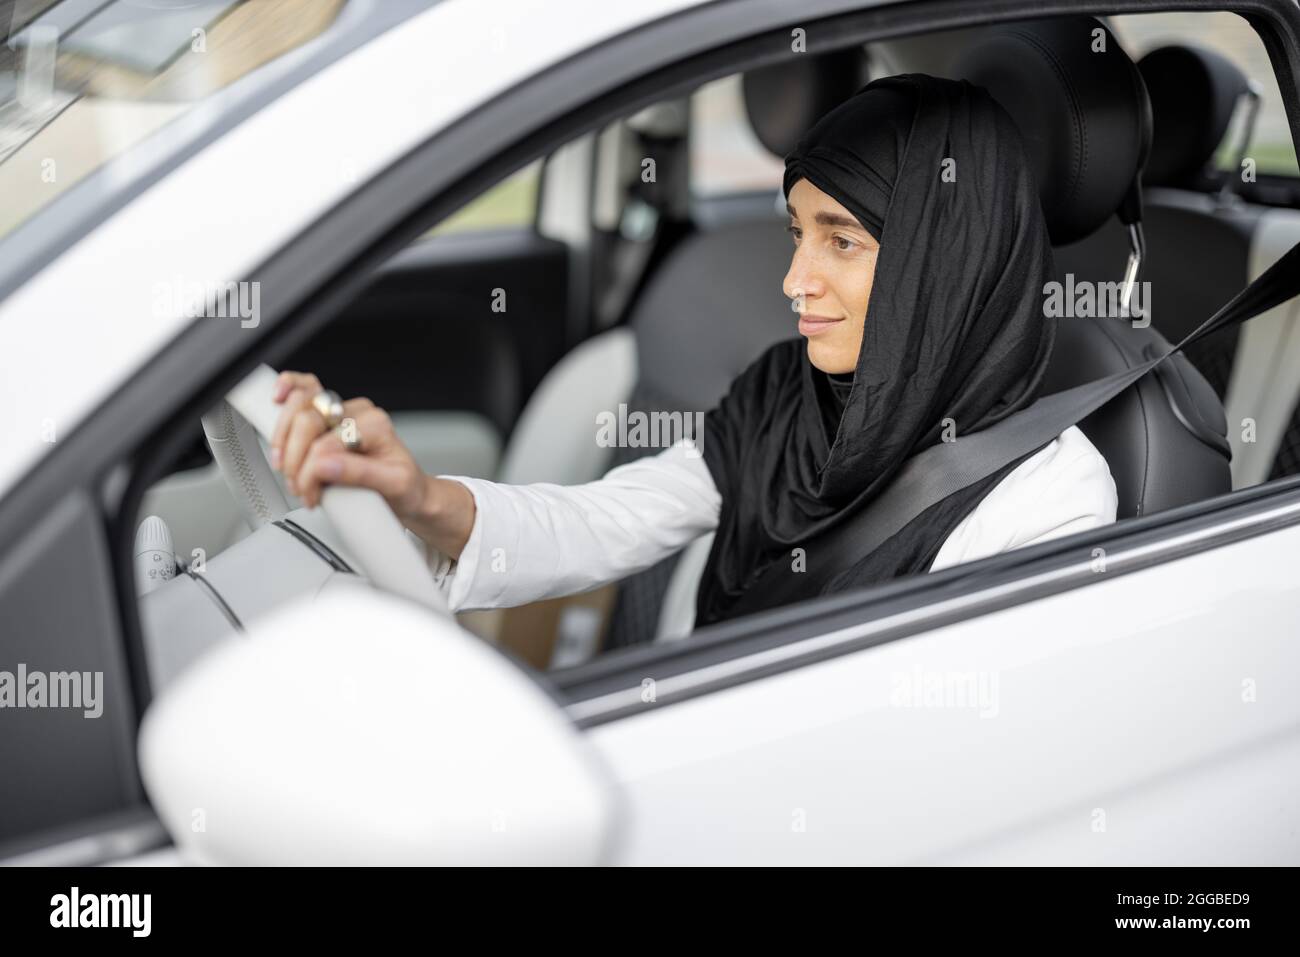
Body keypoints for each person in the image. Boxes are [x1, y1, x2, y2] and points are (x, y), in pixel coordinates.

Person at [269, 73, 1117, 635]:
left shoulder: (1050, 499)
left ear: (944, 264)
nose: (794, 281)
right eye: (796, 234)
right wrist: (420, 497)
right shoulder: (784, 395)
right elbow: (606, 520)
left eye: (842, 241)